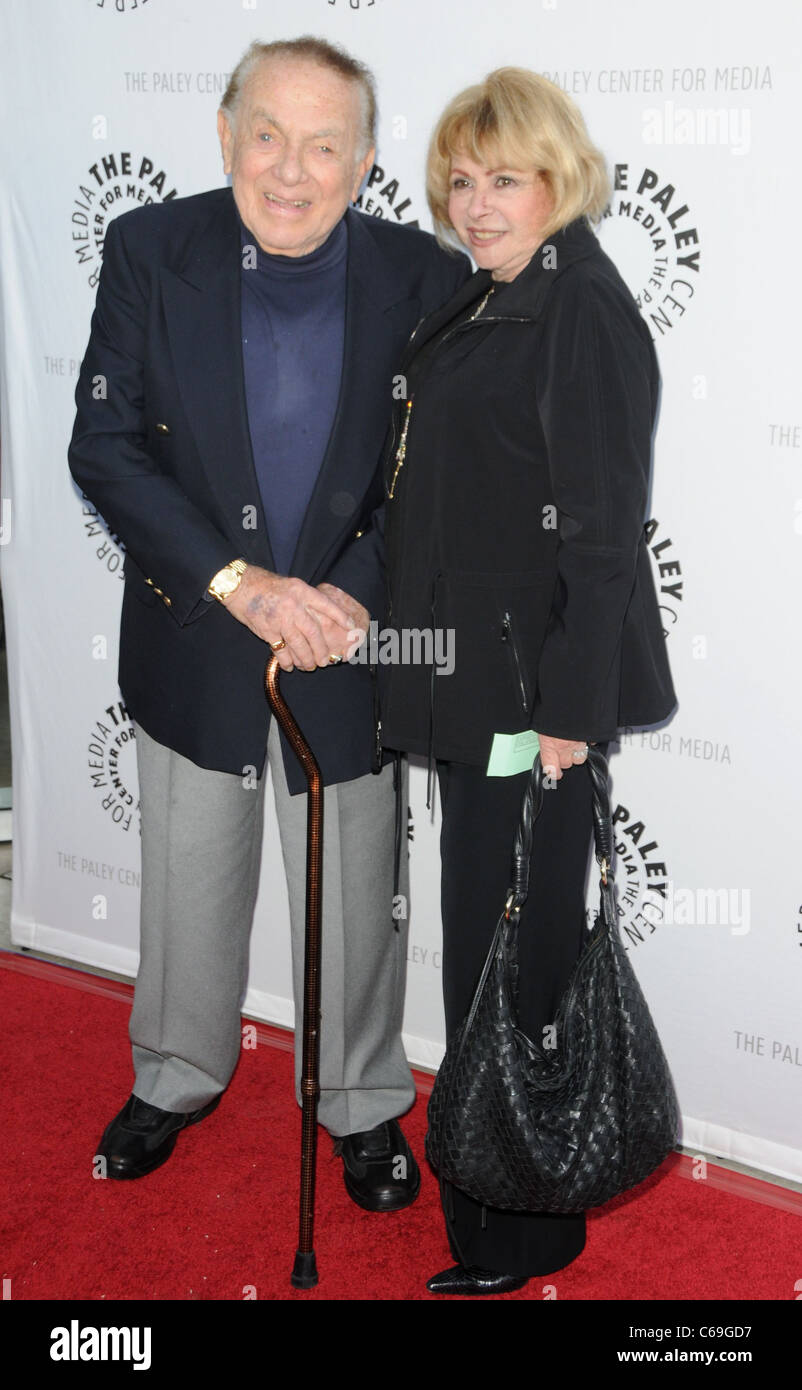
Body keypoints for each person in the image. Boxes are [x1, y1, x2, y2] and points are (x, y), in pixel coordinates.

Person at [68, 36, 469, 1210]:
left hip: (349, 641)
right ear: (225, 133)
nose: (290, 169)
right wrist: (239, 583)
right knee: (188, 884)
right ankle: (176, 1074)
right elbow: (103, 444)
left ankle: (358, 1102)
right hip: (199, 631)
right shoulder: (149, 248)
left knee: (355, 903)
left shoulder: (427, 274)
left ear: (366, 160)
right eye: (267, 135)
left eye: (324, 144)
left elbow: (436, 474)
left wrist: (354, 592)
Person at [379, 67, 676, 1293]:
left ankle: (526, 1223)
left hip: (528, 705)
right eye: (458, 177)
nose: (475, 202)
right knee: (485, 943)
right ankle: (489, 1191)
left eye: (502, 178)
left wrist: (565, 719)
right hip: (474, 683)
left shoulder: (581, 313)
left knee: (518, 954)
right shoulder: (493, 297)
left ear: (558, 176)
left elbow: (604, 541)